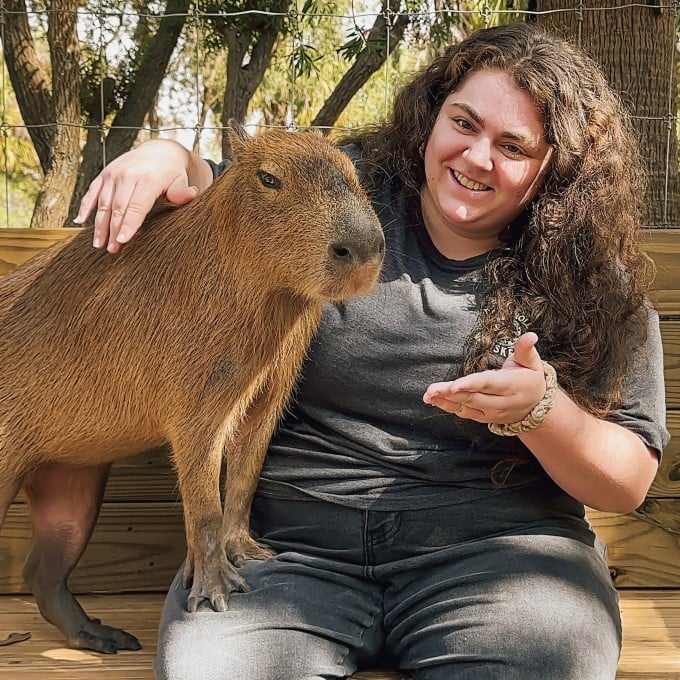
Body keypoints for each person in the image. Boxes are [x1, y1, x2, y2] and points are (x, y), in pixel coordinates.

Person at [76, 23, 669, 680]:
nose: (475, 157)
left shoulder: (585, 278)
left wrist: (542, 411)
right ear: (432, 114)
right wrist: (164, 154)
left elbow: (627, 481)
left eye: (512, 146)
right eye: (464, 123)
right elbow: (227, 185)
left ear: (555, 165)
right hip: (291, 551)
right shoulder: (343, 190)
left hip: (498, 557)